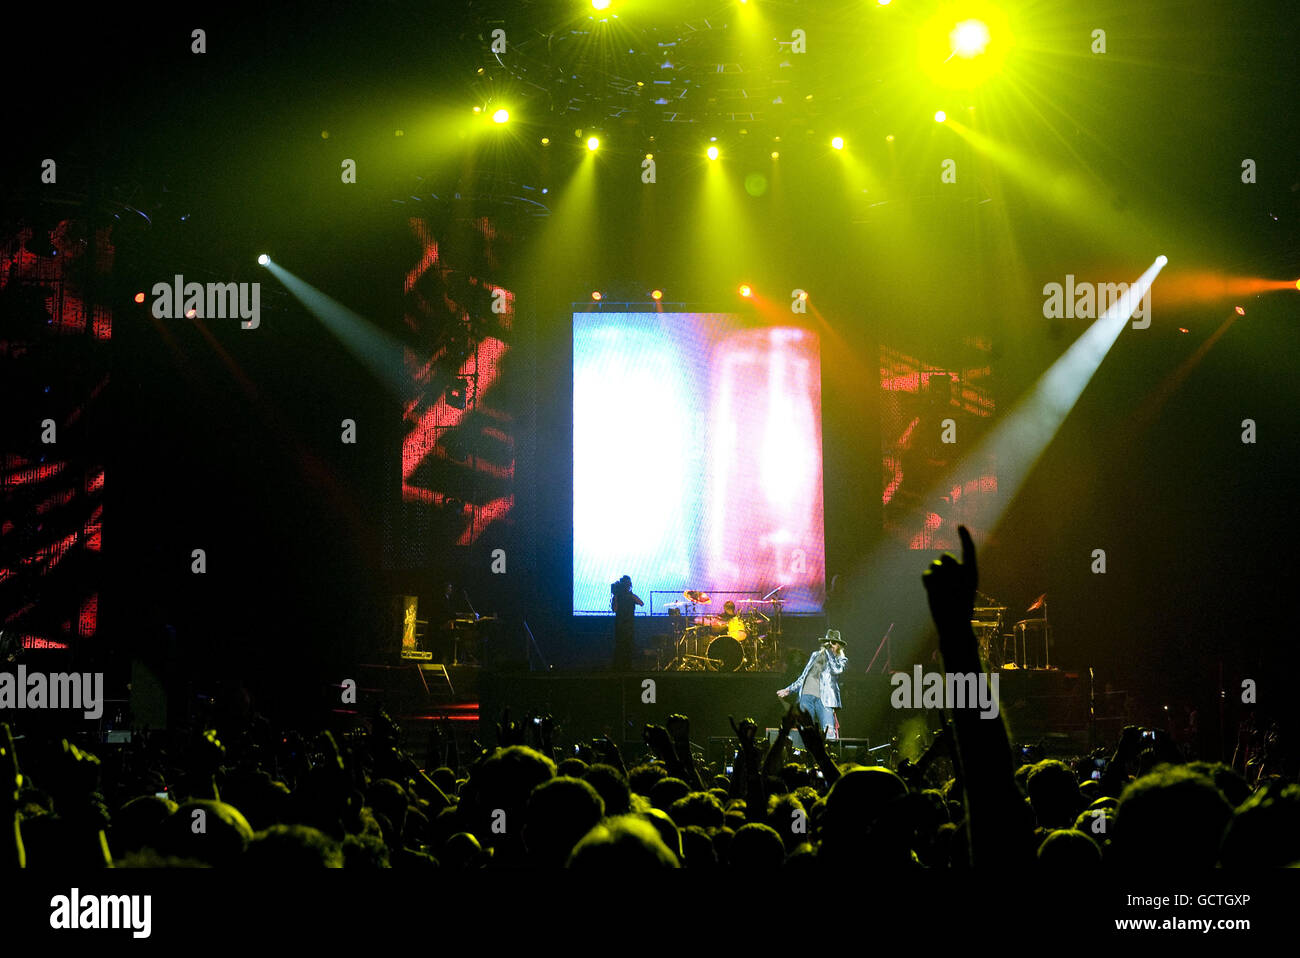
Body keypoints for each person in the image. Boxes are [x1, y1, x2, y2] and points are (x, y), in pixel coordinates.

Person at [777, 630, 847, 740]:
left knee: (829, 732)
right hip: (806, 694)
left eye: (833, 643)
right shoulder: (815, 655)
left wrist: (829, 653)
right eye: (827, 642)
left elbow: (837, 670)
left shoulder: (841, 659)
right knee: (805, 729)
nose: (830, 645)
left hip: (825, 699)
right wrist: (789, 690)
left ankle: (828, 755)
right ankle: (805, 755)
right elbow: (804, 676)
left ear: (839, 646)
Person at [610, 575, 643, 670]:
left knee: (629, 645)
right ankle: (618, 667)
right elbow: (615, 609)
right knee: (620, 645)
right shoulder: (618, 596)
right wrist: (616, 597)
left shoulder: (631, 596)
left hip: (629, 625)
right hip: (620, 625)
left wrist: (630, 594)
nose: (628, 586)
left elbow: (641, 603)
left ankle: (628, 666)